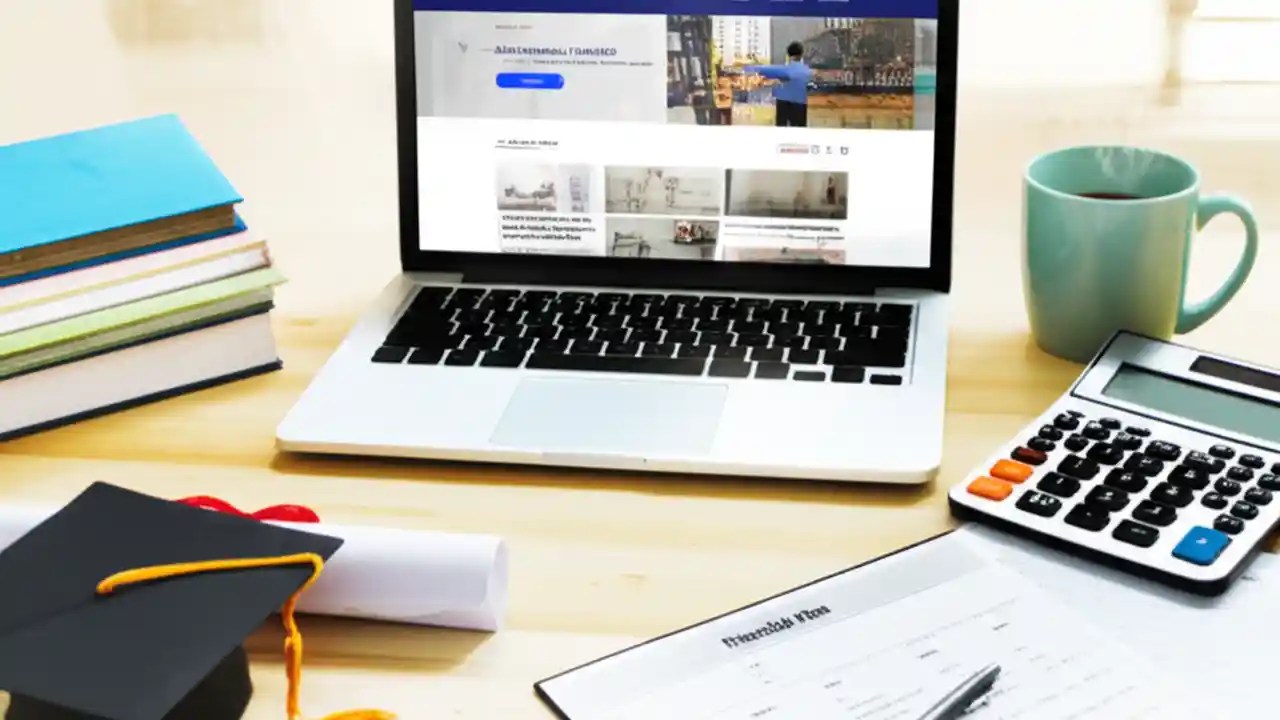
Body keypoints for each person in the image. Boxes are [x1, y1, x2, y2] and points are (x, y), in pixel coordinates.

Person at [744, 41, 813, 127]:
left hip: (783, 105)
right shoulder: (808, 71)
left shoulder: (784, 70)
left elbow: (761, 70)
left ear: (788, 55)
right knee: (799, 133)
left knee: (781, 133)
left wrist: (748, 66)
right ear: (802, 54)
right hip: (800, 106)